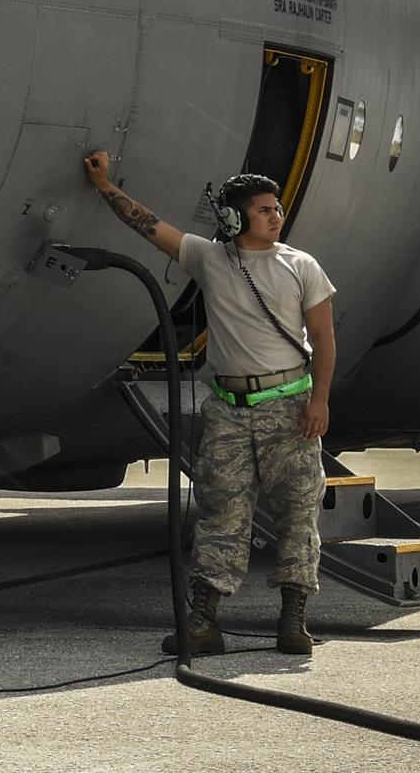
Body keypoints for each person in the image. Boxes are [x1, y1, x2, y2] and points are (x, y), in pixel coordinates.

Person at [81, 153, 336, 656]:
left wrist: (320, 401)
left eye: (277, 208)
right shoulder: (210, 258)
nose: (276, 215)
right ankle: (204, 620)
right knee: (221, 514)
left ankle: (293, 619)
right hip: (229, 410)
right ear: (235, 219)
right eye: (263, 210)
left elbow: (325, 339)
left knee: (298, 515)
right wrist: (103, 185)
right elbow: (149, 227)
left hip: (289, 408)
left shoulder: (301, 266)